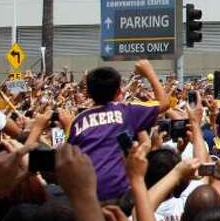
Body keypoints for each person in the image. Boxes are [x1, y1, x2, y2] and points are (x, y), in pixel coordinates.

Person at [68, 61, 169, 201]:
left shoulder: (77, 120)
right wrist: (149, 72)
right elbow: (164, 102)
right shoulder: (127, 111)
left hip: (87, 199)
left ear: (89, 94)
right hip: (120, 197)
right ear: (118, 91)